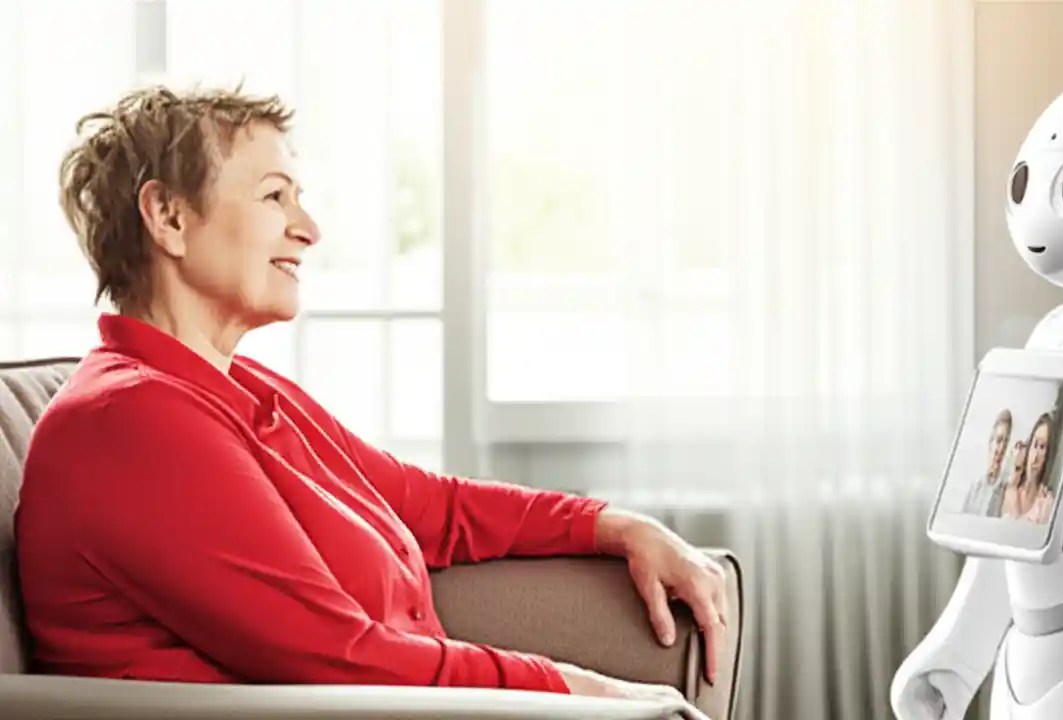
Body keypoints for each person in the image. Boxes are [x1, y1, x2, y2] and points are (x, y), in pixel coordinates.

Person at [14, 85, 728, 701]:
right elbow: (339, 659)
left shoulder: (236, 388)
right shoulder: (128, 423)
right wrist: (587, 696)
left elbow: (429, 508)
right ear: (168, 216)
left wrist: (616, 525)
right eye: (274, 196)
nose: (309, 228)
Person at [1000, 414, 1055, 524]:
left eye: (1042, 447)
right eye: (1034, 445)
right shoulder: (1009, 488)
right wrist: (1016, 473)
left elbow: (1019, 531)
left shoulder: (1046, 503)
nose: (1035, 456)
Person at [962, 409, 1012, 517]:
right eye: (999, 441)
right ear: (990, 442)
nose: (1001, 449)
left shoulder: (1006, 492)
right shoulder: (974, 488)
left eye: (1006, 443)